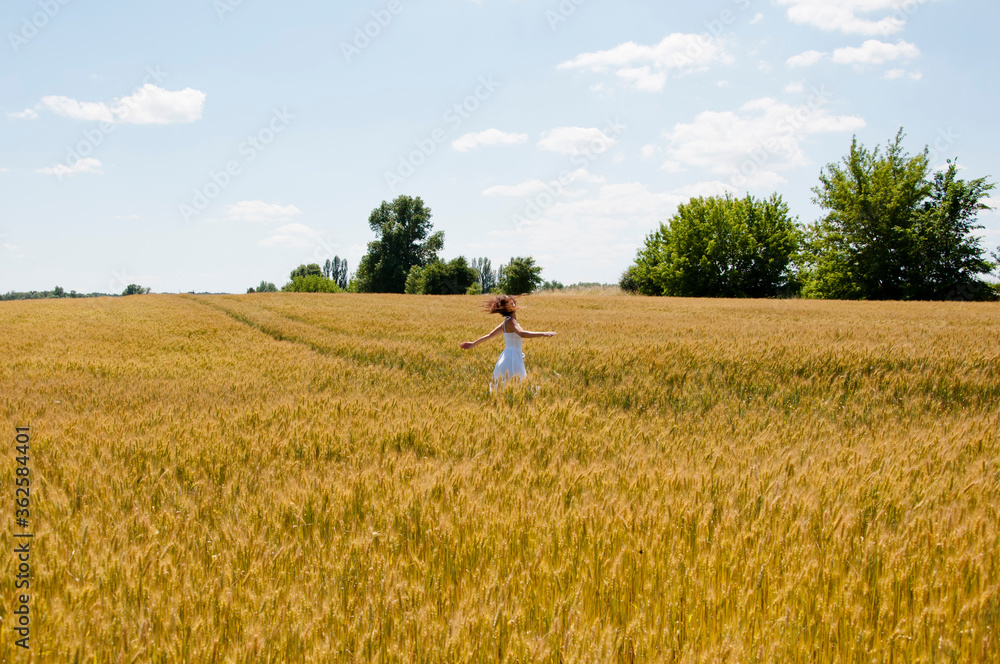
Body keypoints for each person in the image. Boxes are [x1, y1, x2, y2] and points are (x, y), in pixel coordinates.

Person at [459, 294, 556, 390]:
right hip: (513, 358)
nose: (514, 304)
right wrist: (543, 333)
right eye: (512, 303)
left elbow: (490, 335)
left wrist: (473, 343)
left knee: (508, 386)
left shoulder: (506, 322)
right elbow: (522, 333)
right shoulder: (511, 322)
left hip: (506, 356)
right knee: (517, 385)